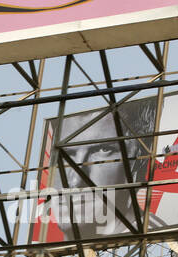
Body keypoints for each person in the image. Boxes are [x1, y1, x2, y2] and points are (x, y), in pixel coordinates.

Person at [51, 98, 158, 241]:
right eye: (65, 155)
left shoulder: (158, 236)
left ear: (138, 158)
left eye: (103, 150)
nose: (75, 180)